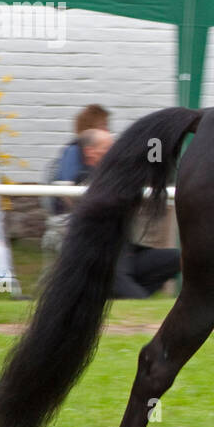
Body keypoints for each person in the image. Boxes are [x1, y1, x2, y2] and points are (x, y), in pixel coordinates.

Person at [74, 128, 180, 299]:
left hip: (127, 254)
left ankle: (130, 299)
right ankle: (132, 300)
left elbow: (157, 178)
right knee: (132, 293)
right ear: (90, 152)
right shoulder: (83, 178)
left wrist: (156, 146)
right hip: (105, 257)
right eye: (108, 147)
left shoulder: (119, 174)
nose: (116, 151)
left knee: (176, 259)